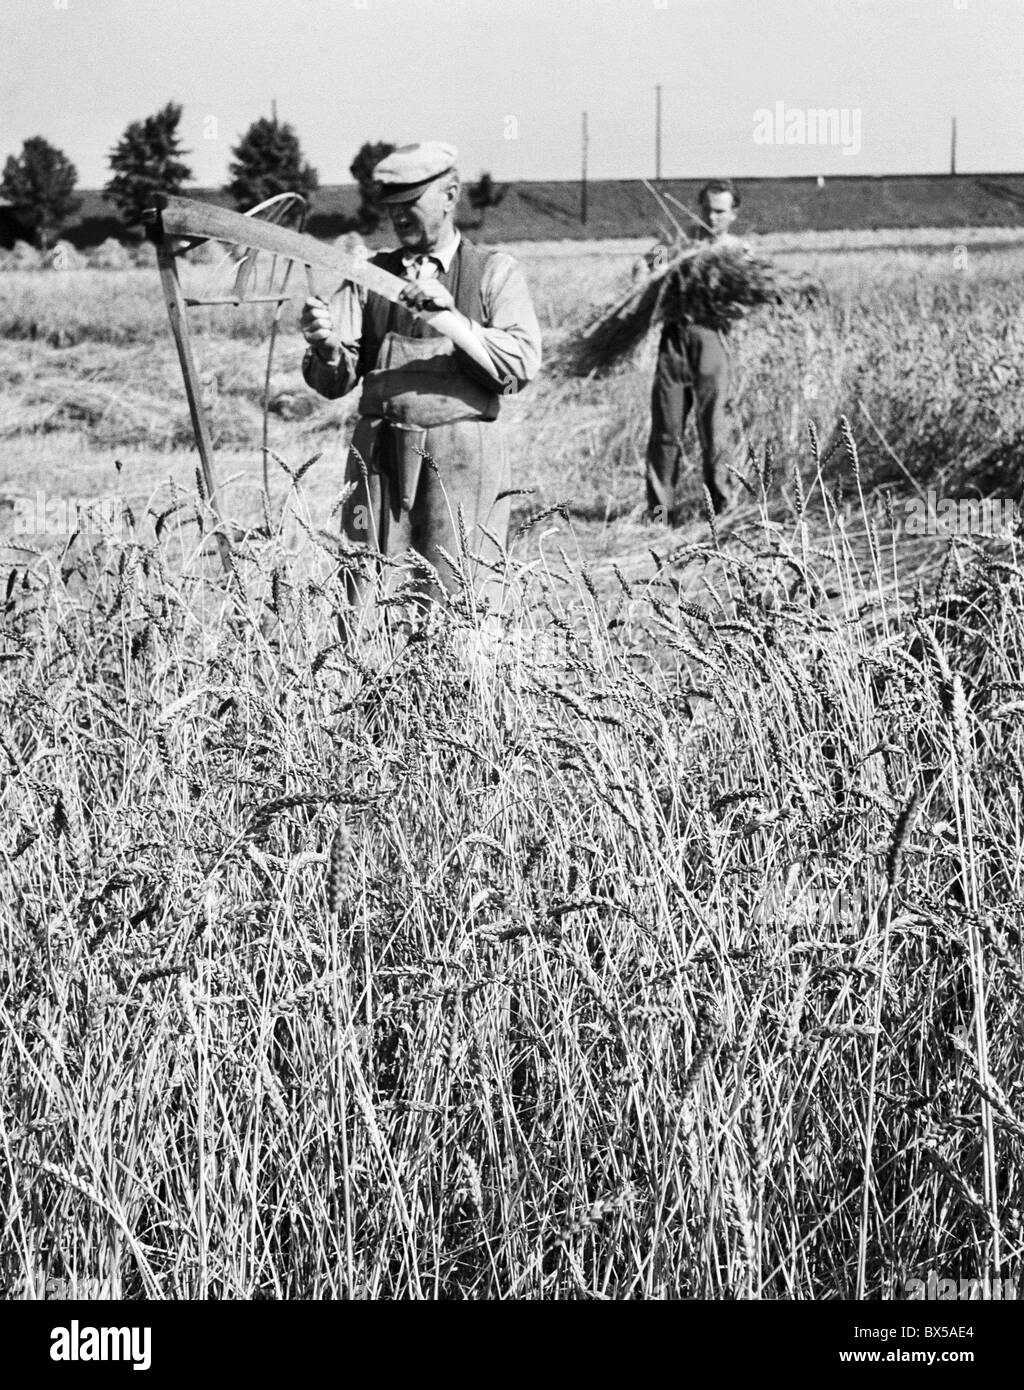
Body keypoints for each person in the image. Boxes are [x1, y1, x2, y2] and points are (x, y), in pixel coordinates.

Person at [300, 142, 542, 631]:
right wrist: (325, 348)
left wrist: (450, 321)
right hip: (379, 454)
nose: (399, 215)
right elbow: (337, 378)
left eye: (412, 202)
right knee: (366, 594)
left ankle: (462, 702)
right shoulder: (368, 276)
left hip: (462, 455)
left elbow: (520, 364)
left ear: (450, 194)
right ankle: (380, 701)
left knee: (461, 598)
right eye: (392, 205)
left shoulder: (493, 271)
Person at [645, 178, 744, 523]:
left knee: (714, 431)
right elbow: (645, 264)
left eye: (720, 211)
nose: (711, 217)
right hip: (674, 340)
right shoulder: (678, 240)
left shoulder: (737, 252)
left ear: (733, 214)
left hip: (711, 341)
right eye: (707, 209)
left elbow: (745, 302)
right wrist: (655, 270)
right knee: (665, 431)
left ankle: (721, 510)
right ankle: (659, 513)